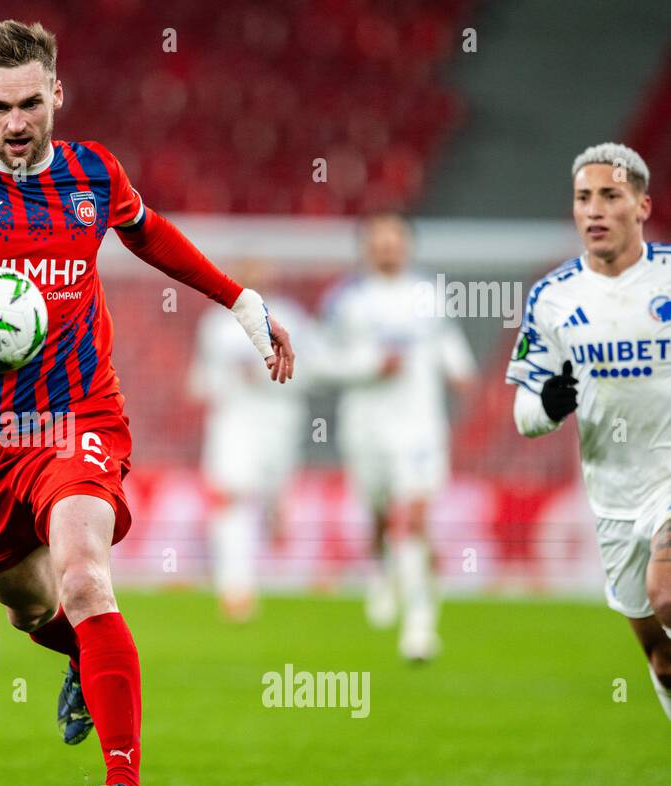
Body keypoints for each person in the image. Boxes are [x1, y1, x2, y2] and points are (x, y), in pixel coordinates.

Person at [0, 20, 294, 786]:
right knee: (29, 604)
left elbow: (149, 232)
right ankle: (80, 664)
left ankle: (123, 783)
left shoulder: (94, 171)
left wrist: (240, 302)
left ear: (57, 93)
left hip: (77, 419)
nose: (16, 124)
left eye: (30, 104)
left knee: (87, 578)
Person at [506, 142, 671, 721]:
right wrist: (548, 405)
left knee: (669, 592)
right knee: (662, 660)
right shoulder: (553, 298)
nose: (594, 209)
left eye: (610, 195)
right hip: (612, 495)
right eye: (583, 198)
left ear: (642, 205)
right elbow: (525, 414)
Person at [319, 214, 474, 661]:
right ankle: (384, 569)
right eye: (379, 240)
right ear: (366, 246)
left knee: (414, 516)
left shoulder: (429, 294)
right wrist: (369, 366)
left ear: (407, 245)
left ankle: (420, 627)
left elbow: (446, 342)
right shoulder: (344, 300)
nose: (388, 247)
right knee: (381, 516)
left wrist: (459, 371)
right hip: (365, 426)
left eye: (395, 239)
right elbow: (321, 361)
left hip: (419, 426)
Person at [190, 259, 317, 621]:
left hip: (280, 421)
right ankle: (236, 589)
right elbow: (201, 380)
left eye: (261, 269)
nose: (256, 275)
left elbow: (311, 370)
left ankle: (276, 517)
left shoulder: (291, 317)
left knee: (271, 499)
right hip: (233, 421)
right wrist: (226, 380)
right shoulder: (216, 323)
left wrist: (266, 375)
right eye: (248, 269)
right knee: (230, 497)